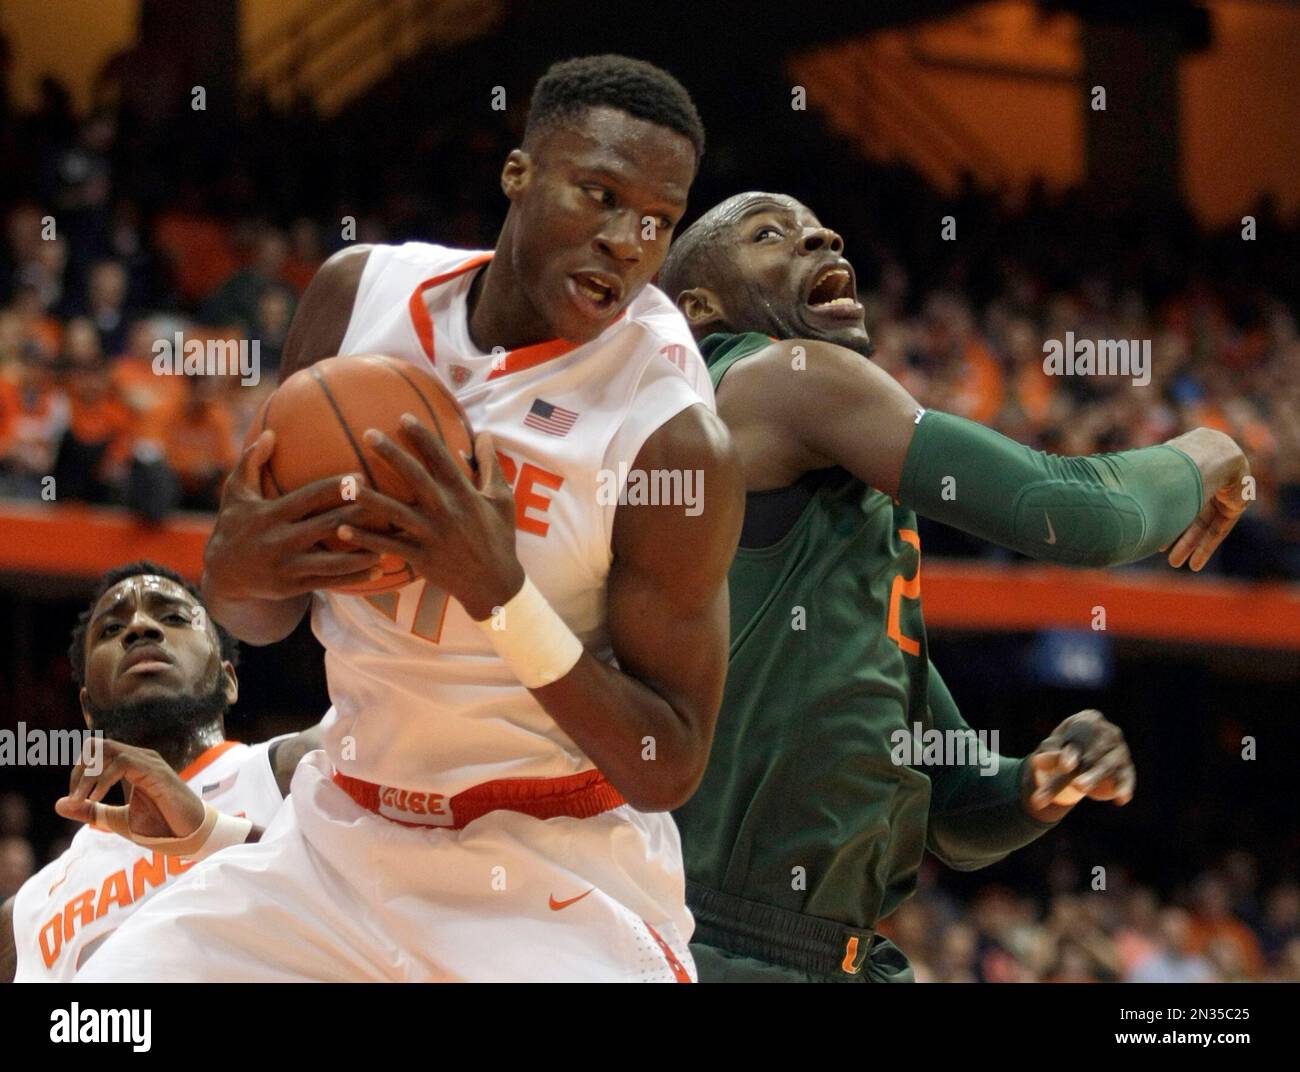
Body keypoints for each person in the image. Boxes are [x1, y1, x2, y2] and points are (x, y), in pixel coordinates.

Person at [78, 55, 744, 983]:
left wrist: (498, 592)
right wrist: (239, 568)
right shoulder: (358, 299)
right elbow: (255, 615)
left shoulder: (670, 434)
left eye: (658, 222)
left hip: (551, 870)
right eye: (598, 194)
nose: (626, 241)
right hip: (338, 837)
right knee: (105, 999)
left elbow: (666, 762)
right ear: (518, 173)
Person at [657, 191, 1251, 982]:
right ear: (700, 307)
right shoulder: (782, 376)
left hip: (823, 953)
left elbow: (954, 803)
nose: (821, 235)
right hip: (722, 944)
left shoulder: (831, 510)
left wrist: (1036, 786)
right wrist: (1208, 449)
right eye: (771, 234)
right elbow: (1069, 513)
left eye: (818, 228)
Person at [1, 561, 321, 982]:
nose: (139, 628)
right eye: (111, 630)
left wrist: (215, 836)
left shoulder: (295, 769)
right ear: (87, 711)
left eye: (173, 617)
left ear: (228, 680)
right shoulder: (23, 913)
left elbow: (381, 916)